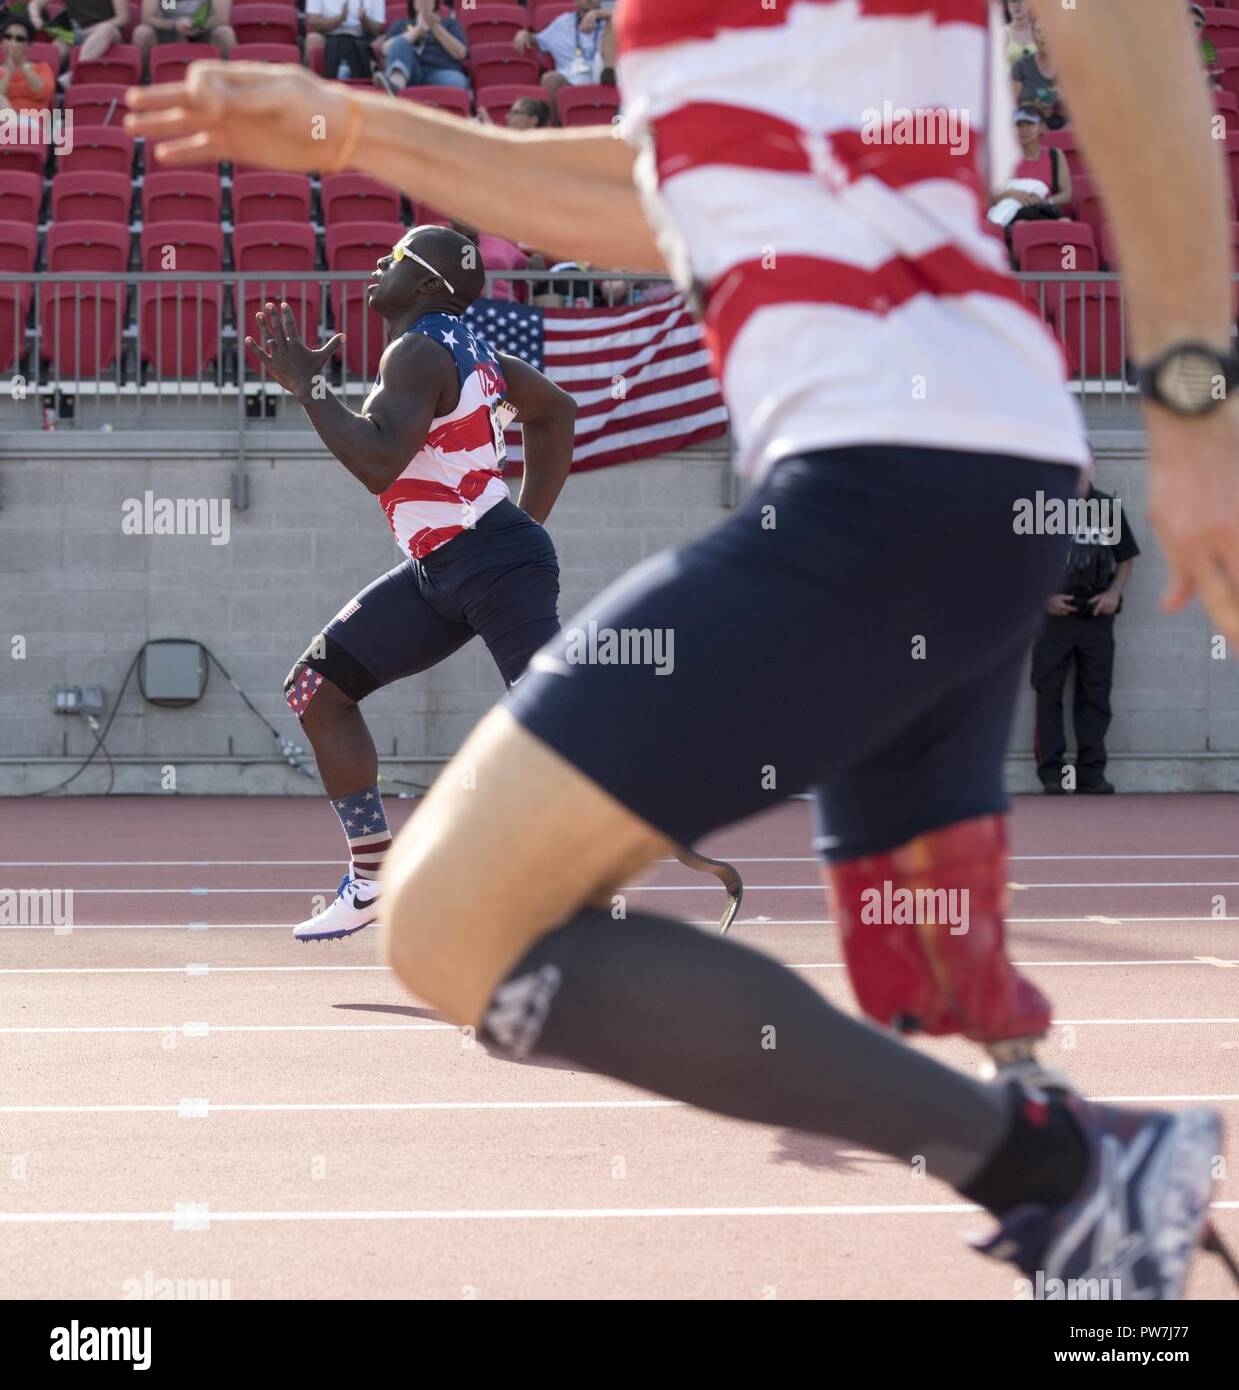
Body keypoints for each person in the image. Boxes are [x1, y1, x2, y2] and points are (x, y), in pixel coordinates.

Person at [126, 0, 1239, 1297]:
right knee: (941, 978)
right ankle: (1086, 1217)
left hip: (893, 481)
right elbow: (659, 203)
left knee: (450, 921)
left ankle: (1067, 1179)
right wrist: (359, 128)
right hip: (955, 472)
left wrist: (1189, 400)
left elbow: (1119, 23)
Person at [242, 226, 574, 941]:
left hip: (491, 561)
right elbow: (555, 412)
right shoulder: (469, 350)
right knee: (315, 692)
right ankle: (372, 878)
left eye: (392, 259)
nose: (376, 265)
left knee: (548, 735)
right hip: (444, 569)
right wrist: (529, 524)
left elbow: (377, 462)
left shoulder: (419, 350)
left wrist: (310, 388)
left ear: (425, 285)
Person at [1032, 480, 1141, 795]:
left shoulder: (1108, 508)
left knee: (1095, 694)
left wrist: (1114, 593)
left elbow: (1126, 558)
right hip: (1054, 619)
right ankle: (1052, 774)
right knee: (1048, 694)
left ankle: (1091, 774)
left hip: (1096, 616)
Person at [514, 0, 616, 104]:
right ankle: (555, 121)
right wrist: (524, 34)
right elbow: (537, 39)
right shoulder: (562, 22)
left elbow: (630, 16)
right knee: (550, 79)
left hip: (605, 78)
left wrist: (597, 14)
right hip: (571, 81)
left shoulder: (612, 22)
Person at [988, 108, 1072, 230]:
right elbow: (989, 196)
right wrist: (1010, 194)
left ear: (1042, 127)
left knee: (1066, 223)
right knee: (1022, 227)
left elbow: (1067, 194)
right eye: (1019, 125)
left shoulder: (1054, 155)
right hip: (1014, 216)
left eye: (1030, 124)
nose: (1024, 130)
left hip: (1045, 211)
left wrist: (1046, 201)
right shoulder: (1004, 158)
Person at [374, 0, 468, 95]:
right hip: (410, 71)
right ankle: (395, 86)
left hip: (441, 70)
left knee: (457, 81)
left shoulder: (450, 24)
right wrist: (418, 30)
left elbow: (461, 53)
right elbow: (385, 49)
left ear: (434, 3)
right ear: (413, 4)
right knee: (401, 41)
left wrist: (435, 27)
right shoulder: (401, 24)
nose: (424, 1)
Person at [133, 0, 235, 66]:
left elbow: (221, 19)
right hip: (168, 31)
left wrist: (196, 25)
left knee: (225, 33)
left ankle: (229, 80)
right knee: (142, 33)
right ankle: (145, 80)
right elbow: (147, 18)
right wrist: (174, 25)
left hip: (204, 31)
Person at [304, 0, 385, 82]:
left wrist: (364, 19)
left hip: (362, 36)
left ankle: (381, 88)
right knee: (312, 39)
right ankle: (312, 86)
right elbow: (312, 23)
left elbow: (378, 28)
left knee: (381, 43)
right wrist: (340, 19)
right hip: (327, 33)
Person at [28, 0, 125, 66]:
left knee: (106, 29)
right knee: (58, 49)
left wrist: (92, 30)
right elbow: (36, 3)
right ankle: (46, 85)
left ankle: (76, 72)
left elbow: (123, 18)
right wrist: (35, 17)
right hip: (76, 32)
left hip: (108, 32)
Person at [1011, 17, 1067, 130]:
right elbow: (1010, 106)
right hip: (1028, 130)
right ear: (1033, 36)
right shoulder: (1021, 66)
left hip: (1063, 131)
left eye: (1046, 31)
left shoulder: (1068, 67)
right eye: (1038, 31)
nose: (1042, 36)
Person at [0, 13, 53, 112]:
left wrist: (24, 67)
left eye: (19, 39)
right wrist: (8, 73)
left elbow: (43, 92)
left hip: (33, 121)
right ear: (2, 44)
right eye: (8, 37)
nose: (13, 42)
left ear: (28, 46)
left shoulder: (42, 68)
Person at [1004, 0, 1036, 66]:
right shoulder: (1002, 33)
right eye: (1012, 1)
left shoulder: (1040, 31)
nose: (1016, 5)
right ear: (1008, 5)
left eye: (1020, 1)